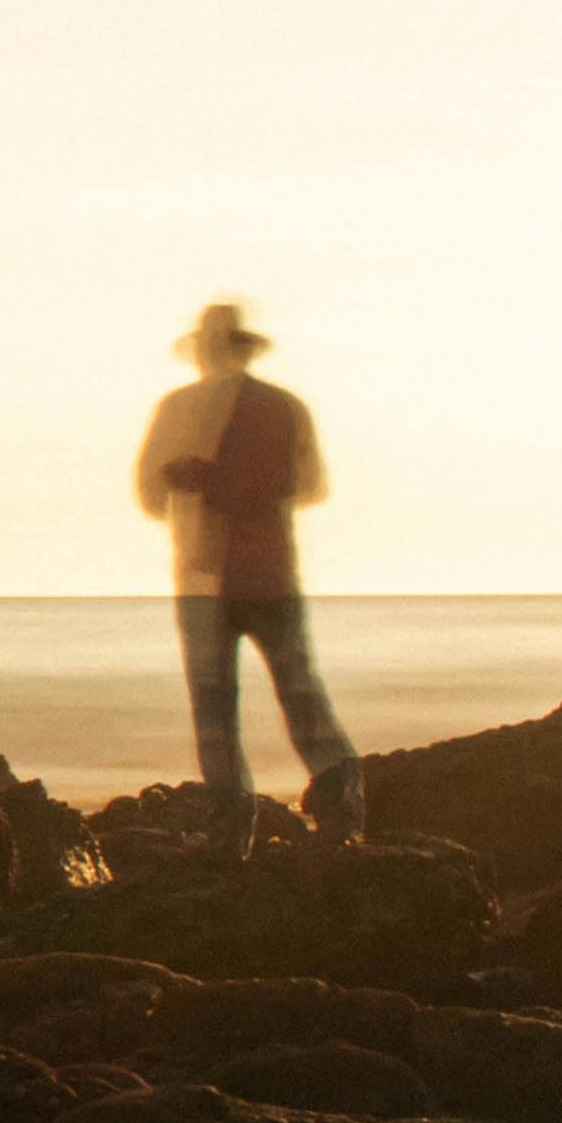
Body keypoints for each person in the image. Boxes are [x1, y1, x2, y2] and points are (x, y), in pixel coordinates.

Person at [132, 300, 362, 851]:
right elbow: (311, 485)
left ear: (207, 349)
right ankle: (342, 813)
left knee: (215, 708)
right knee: (300, 693)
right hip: (269, 571)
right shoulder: (283, 407)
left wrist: (199, 485)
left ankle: (231, 830)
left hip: (206, 575)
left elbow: (148, 493)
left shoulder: (178, 408)